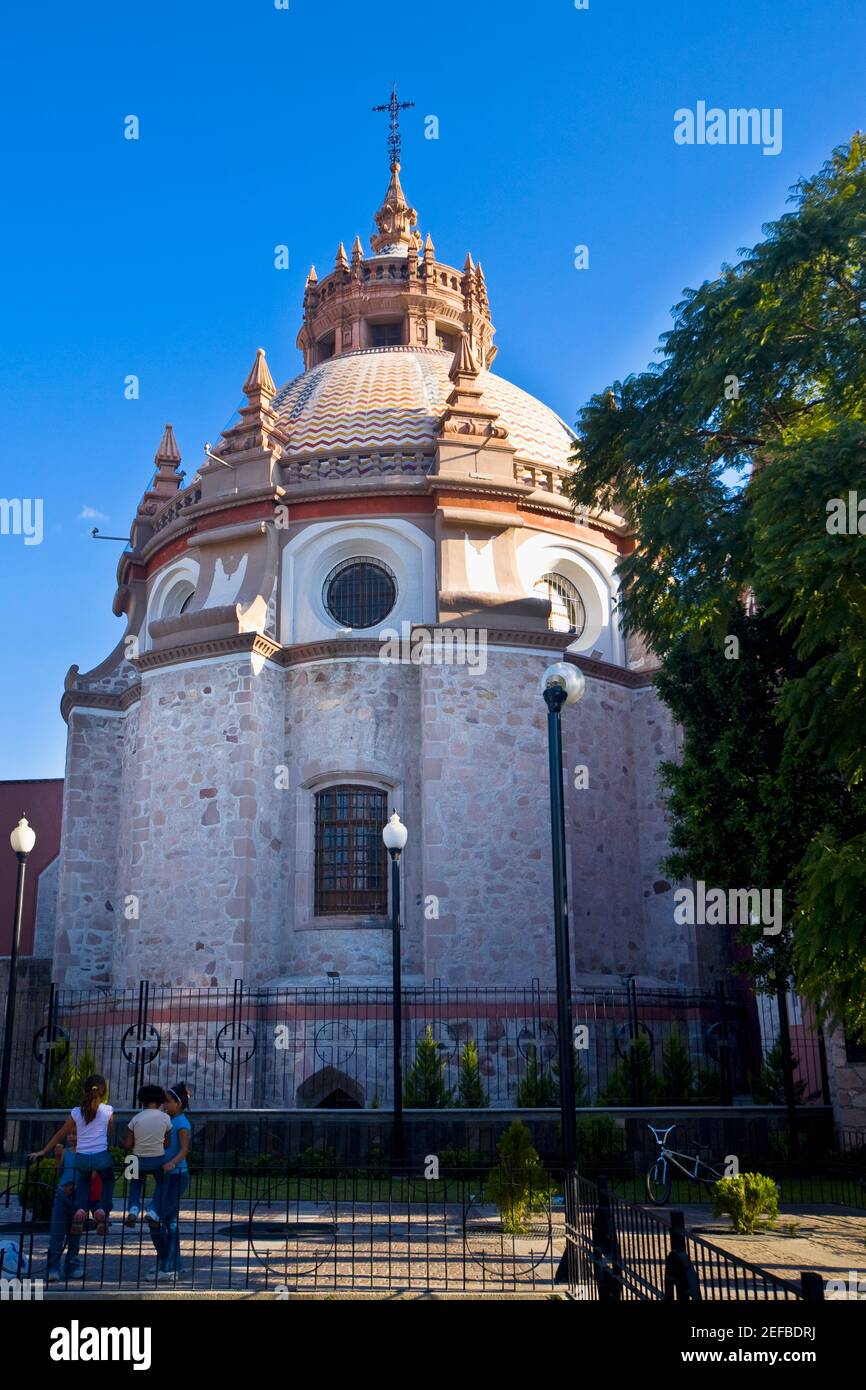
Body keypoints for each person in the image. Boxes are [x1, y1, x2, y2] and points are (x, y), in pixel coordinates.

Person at [30, 1075, 115, 1237]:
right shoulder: (108, 1110)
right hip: (100, 1156)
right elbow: (110, 1132)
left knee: (83, 1181)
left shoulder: (77, 1112)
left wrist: (43, 1151)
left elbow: (61, 1133)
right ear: (103, 1092)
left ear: (84, 1091)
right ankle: (102, 1210)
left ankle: (81, 1209)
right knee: (108, 1179)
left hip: (82, 1157)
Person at [146, 1082, 192, 1280]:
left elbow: (184, 1149)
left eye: (168, 1101)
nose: (165, 1104)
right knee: (170, 1221)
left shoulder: (182, 1123)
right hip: (165, 1177)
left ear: (179, 1103)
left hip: (176, 1177)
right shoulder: (167, 1121)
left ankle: (167, 1264)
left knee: (155, 1216)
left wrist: (172, 1163)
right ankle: (171, 1263)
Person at [121, 1084, 170, 1225]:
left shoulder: (135, 1119)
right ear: (160, 1101)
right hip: (157, 1159)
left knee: (135, 1183)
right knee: (162, 1183)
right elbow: (167, 1144)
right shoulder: (165, 1118)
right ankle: (153, 1210)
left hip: (136, 1158)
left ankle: (133, 1209)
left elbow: (128, 1144)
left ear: (142, 1101)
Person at [45, 1140, 83, 1283]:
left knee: (75, 1234)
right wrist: (57, 1156)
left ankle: (71, 1265)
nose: (72, 1136)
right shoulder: (65, 1152)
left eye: (76, 1133)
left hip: (79, 1196)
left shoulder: (87, 1152)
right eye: (71, 1133)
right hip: (62, 1194)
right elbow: (59, 1171)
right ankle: (53, 1268)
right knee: (57, 1233)